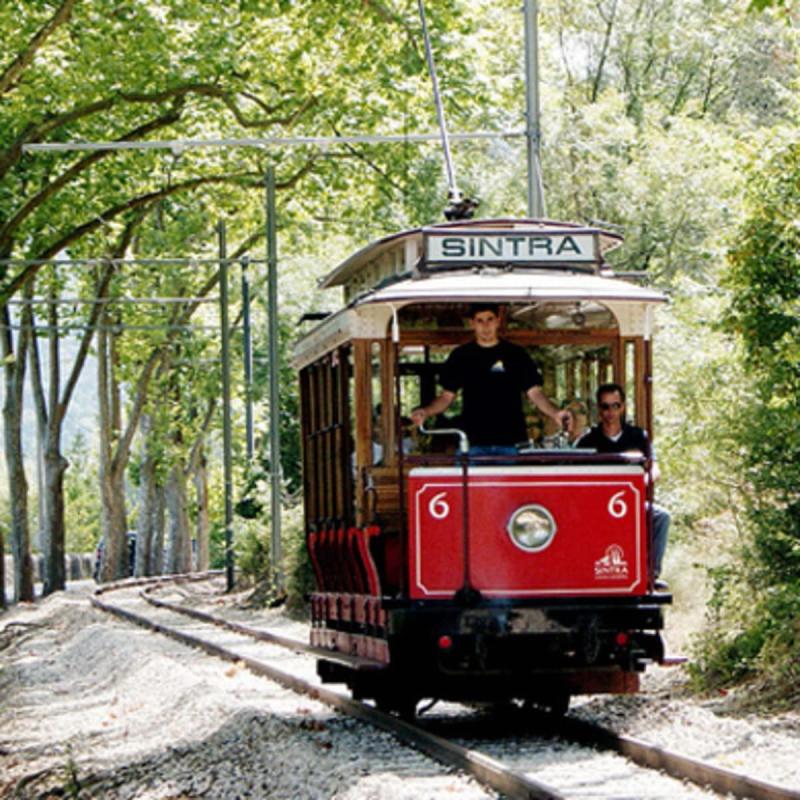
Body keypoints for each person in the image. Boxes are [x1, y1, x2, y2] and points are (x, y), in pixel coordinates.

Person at [410, 303, 570, 456]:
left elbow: (535, 394)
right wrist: (426, 411)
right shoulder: (461, 356)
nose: (485, 326)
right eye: (480, 321)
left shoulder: (516, 355)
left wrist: (555, 413)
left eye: (489, 319)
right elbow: (446, 397)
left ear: (498, 321)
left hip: (511, 444)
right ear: (472, 323)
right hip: (473, 445)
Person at [575, 382, 671, 591]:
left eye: (615, 406)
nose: (611, 412)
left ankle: (649, 575)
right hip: (596, 508)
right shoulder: (587, 441)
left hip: (631, 504)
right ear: (598, 409)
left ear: (623, 407)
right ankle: (579, 574)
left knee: (661, 517)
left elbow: (654, 468)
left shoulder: (638, 436)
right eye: (605, 407)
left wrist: (643, 480)